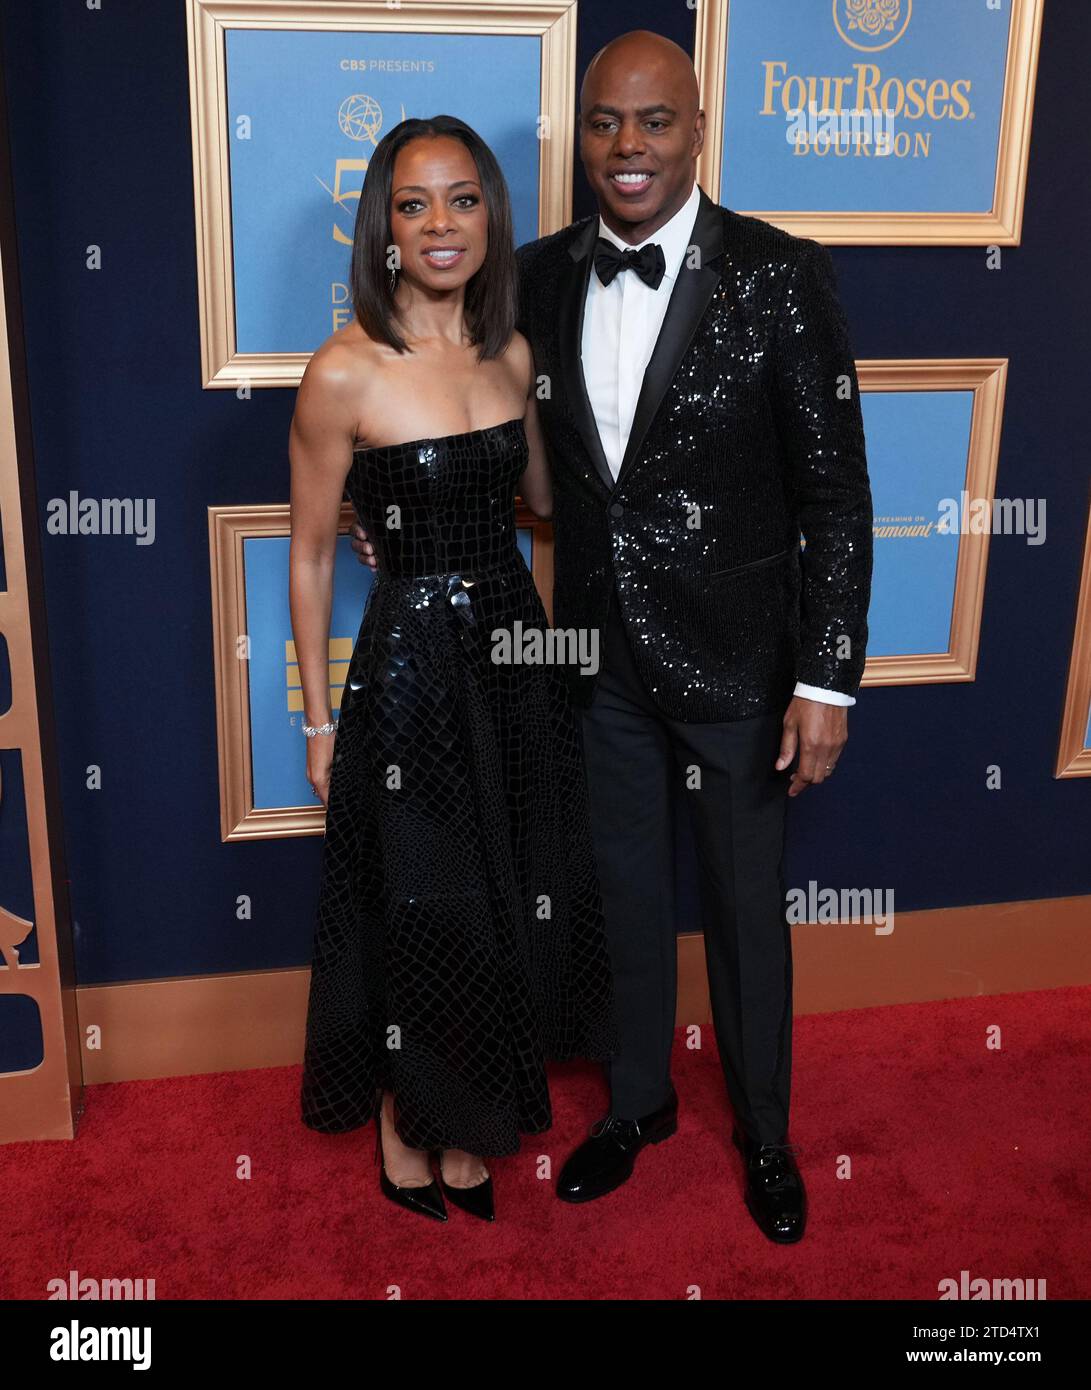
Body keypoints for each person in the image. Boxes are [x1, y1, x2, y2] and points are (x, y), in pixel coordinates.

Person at [352, 32, 873, 1244]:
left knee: (745, 910)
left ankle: (764, 1131)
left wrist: (825, 679)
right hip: (586, 660)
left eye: (652, 122)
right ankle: (636, 1104)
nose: (625, 148)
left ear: (697, 130)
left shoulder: (782, 277)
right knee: (621, 896)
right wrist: (373, 510)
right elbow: (442, 417)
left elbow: (835, 496)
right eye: (602, 124)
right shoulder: (529, 276)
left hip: (743, 660)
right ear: (578, 136)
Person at [289, 114, 617, 1224]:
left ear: (490, 217)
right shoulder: (341, 370)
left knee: (504, 889)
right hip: (410, 669)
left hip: (511, 652)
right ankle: (404, 1112)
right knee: (423, 899)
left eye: (464, 199)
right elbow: (309, 550)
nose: (441, 224)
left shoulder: (511, 354)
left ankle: (472, 1116)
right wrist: (318, 724)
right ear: (382, 223)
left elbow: (531, 501)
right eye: (415, 202)